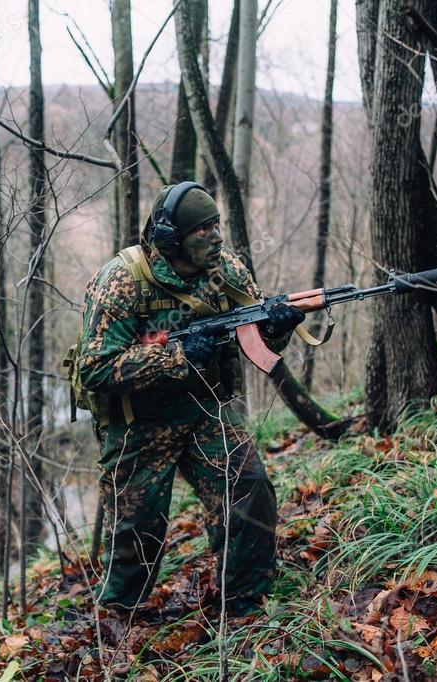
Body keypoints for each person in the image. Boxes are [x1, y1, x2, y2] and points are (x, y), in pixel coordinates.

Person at [77, 182, 306, 617]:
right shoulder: (121, 281)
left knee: (249, 489)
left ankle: (244, 603)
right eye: (203, 230)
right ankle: (118, 622)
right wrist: (174, 356)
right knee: (137, 531)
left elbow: (255, 326)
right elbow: (95, 368)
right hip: (137, 424)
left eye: (217, 225)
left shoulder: (225, 270)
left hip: (204, 410)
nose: (216, 237)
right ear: (171, 237)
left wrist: (279, 325)